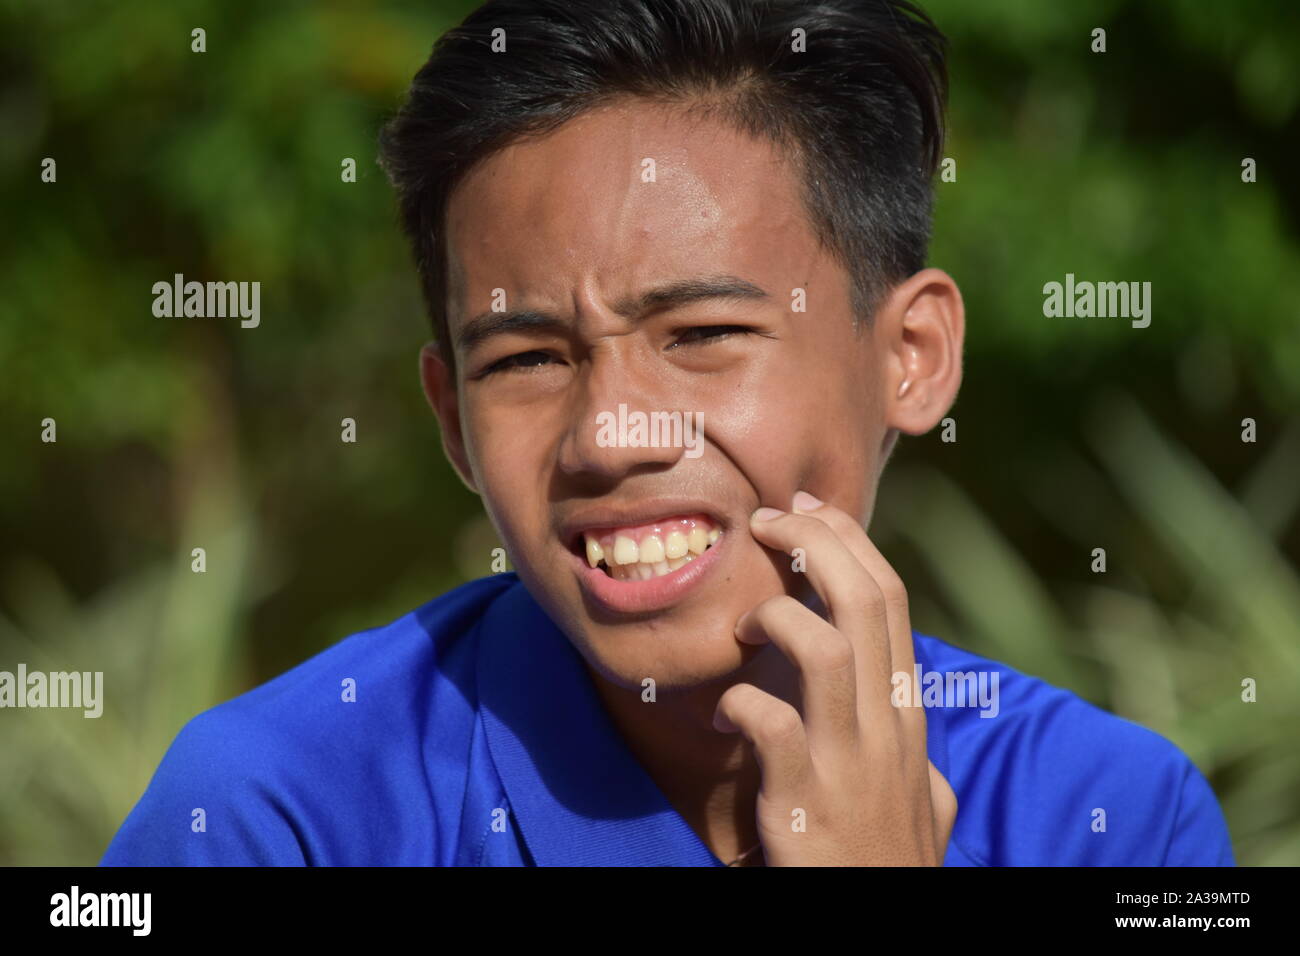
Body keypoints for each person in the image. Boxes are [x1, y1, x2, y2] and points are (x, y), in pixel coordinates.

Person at [101, 0, 1234, 866]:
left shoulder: (1109, 817)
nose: (608, 433)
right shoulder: (280, 812)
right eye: (528, 358)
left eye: (700, 332)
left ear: (911, 355)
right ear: (451, 418)